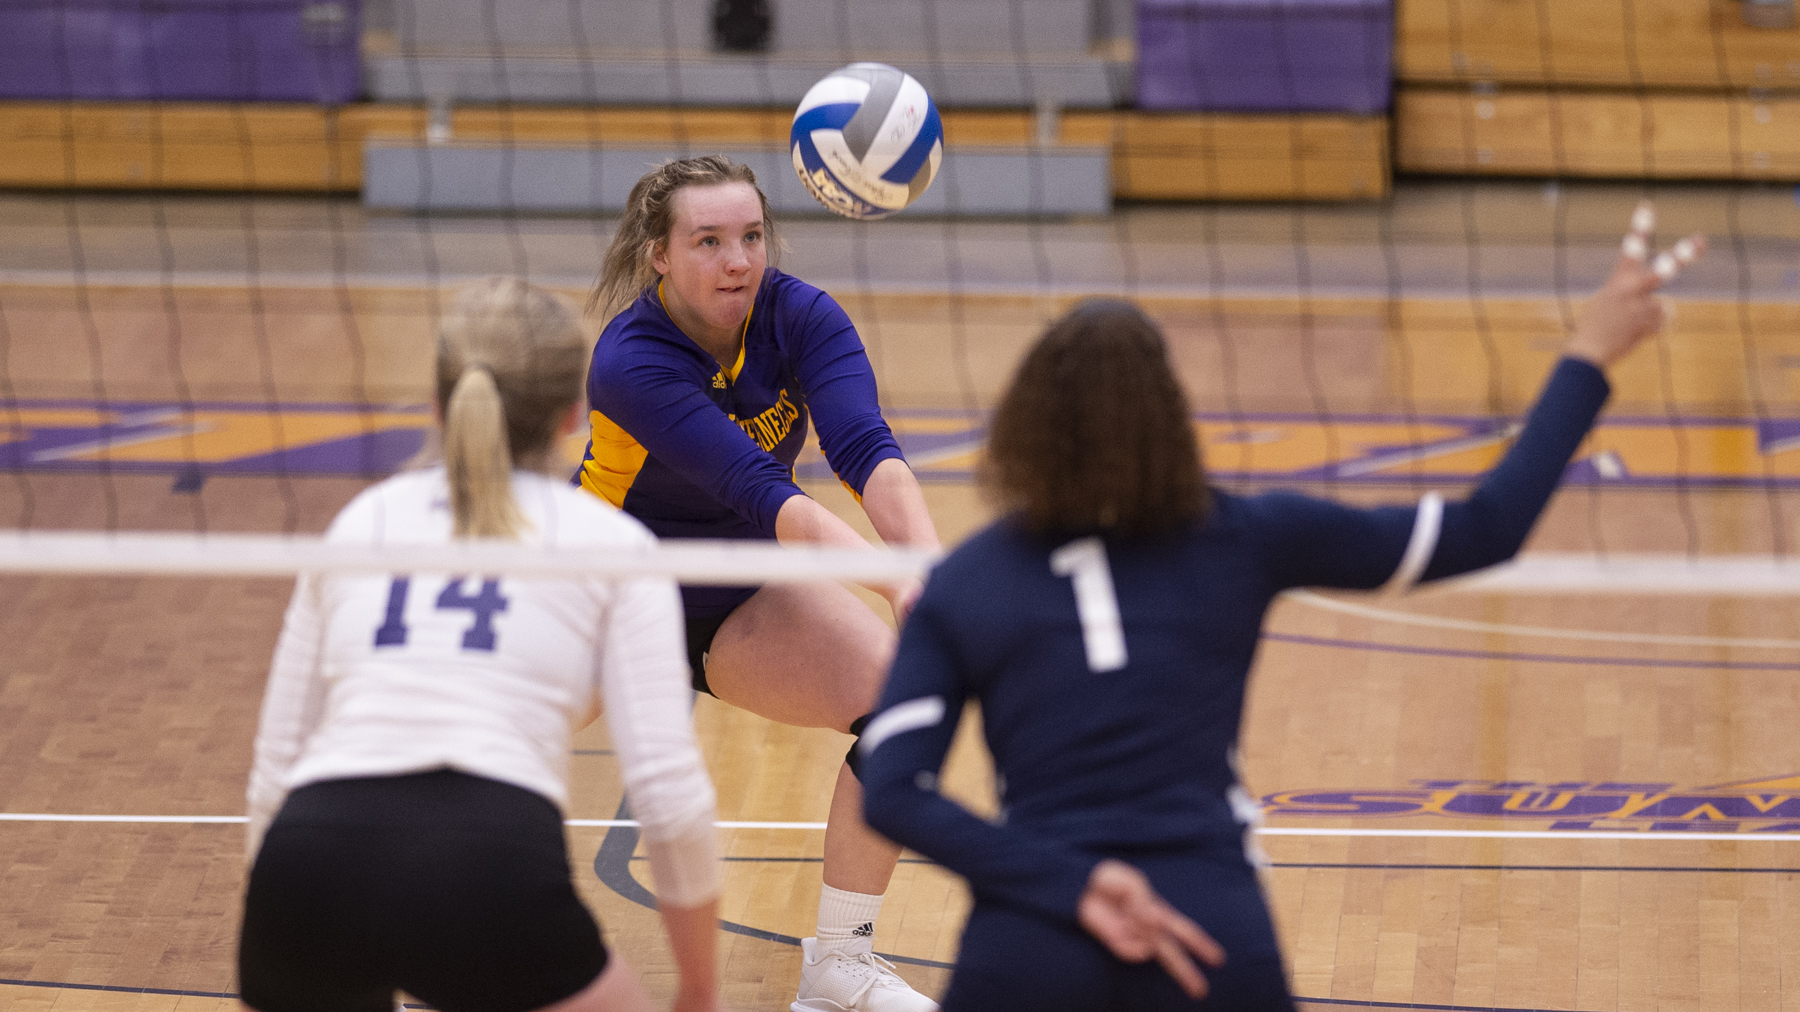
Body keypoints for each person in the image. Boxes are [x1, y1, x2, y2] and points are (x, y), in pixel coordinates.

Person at [858, 206, 1704, 1010]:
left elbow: (892, 794)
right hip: (1208, 922)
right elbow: (1487, 527)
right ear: (1171, 420)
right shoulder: (1245, 536)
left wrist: (1074, 885)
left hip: (1032, 938)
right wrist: (1589, 355)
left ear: (1026, 425)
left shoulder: (969, 580)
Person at [241, 278, 725, 1012]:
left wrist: (289, 922)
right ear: (573, 416)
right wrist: (699, 992)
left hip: (310, 857)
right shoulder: (611, 545)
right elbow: (666, 795)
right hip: (484, 858)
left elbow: (275, 769)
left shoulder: (362, 522)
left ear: (437, 405)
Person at [579, 155, 941, 1012]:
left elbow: (865, 451)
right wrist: (890, 581)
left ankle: (841, 964)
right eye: (708, 241)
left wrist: (925, 565)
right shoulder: (631, 359)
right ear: (657, 256)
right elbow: (764, 492)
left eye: (750, 237)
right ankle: (408, 937)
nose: (738, 261)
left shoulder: (801, 316)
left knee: (901, 701)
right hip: (603, 588)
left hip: (734, 589)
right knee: (487, 737)